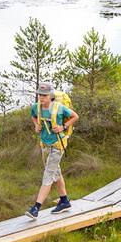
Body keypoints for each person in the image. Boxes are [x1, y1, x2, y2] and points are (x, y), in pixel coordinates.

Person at [26, 81, 78, 219]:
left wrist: (64, 127)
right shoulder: (36, 107)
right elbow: (33, 116)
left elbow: (75, 116)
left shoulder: (59, 108)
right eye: (39, 95)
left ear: (50, 95)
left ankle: (36, 208)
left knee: (48, 174)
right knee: (55, 171)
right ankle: (64, 201)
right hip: (44, 145)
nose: (41, 98)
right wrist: (36, 124)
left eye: (44, 95)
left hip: (57, 145)